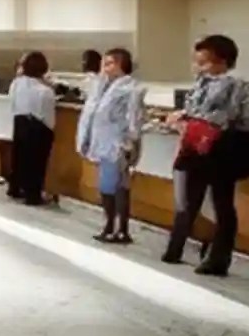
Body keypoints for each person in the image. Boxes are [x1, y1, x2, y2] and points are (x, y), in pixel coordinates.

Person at [162, 35, 243, 275]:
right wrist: (182, 116)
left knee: (222, 202)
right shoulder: (201, 83)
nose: (200, 67)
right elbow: (193, 107)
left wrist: (192, 120)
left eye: (205, 62)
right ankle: (174, 249)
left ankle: (219, 258)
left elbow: (226, 116)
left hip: (223, 150)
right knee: (189, 199)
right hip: (197, 149)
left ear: (223, 61)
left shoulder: (235, 85)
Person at [76, 48, 144, 244]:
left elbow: (134, 118)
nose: (105, 69)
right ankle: (110, 225)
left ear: (122, 65)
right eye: (104, 64)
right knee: (108, 186)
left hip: (117, 144)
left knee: (116, 186)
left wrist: (130, 142)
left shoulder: (131, 89)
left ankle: (119, 228)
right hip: (102, 143)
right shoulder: (102, 86)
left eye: (110, 64)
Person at [9, 51, 57, 205]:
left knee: (19, 157)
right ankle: (33, 195)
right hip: (38, 126)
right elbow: (48, 114)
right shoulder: (46, 91)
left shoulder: (17, 83)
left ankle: (15, 188)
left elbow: (12, 101)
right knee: (36, 162)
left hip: (19, 121)